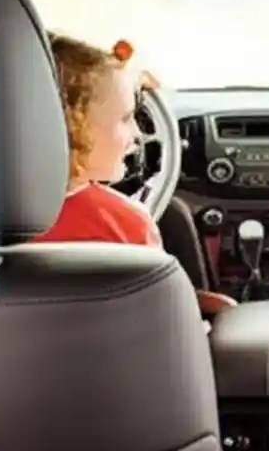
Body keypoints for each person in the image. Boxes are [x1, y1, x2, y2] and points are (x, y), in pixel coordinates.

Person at [33, 31, 237, 318]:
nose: (138, 134)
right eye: (127, 118)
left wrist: (119, 80)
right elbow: (162, 312)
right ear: (72, 127)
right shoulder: (125, 224)